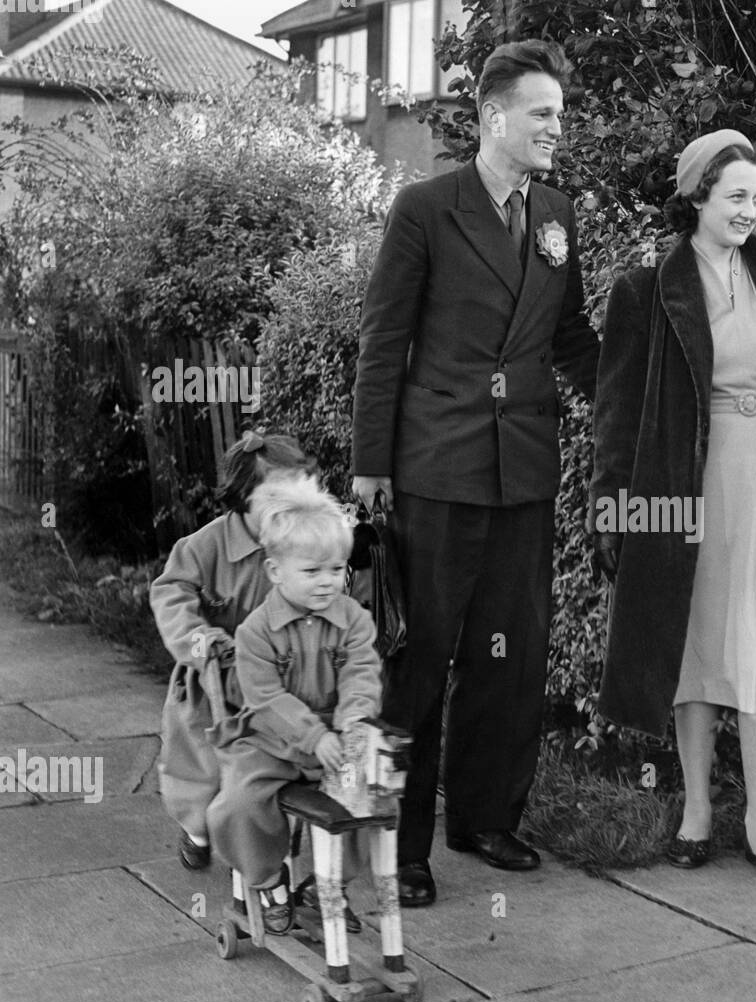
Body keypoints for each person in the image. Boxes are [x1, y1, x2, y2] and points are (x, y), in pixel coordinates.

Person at [351, 39, 601, 905]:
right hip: (437, 469)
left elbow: (568, 338)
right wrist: (369, 466)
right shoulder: (426, 208)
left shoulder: (560, 213)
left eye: (559, 115)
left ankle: (486, 817)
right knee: (418, 661)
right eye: (542, 114)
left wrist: (636, 404)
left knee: (512, 652)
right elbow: (384, 342)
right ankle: (400, 842)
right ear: (494, 118)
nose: (554, 129)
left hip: (523, 471)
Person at [590, 129, 756, 887]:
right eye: (735, 195)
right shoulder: (645, 289)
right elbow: (616, 405)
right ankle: (697, 811)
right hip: (684, 483)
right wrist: (613, 502)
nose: (750, 210)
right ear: (697, 196)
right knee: (695, 645)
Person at [207, 478, 381, 935]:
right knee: (239, 803)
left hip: (336, 740)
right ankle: (268, 880)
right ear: (275, 571)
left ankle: (326, 887)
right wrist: (313, 735)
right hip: (272, 741)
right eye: (312, 571)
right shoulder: (255, 633)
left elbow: (361, 673)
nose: (328, 582)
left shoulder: (355, 621)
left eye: (336, 569)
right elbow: (265, 698)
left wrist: (354, 718)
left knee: (368, 797)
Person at [150, 432, 316, 872]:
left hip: (270, 681)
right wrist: (197, 637)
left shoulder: (300, 545)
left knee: (257, 768)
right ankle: (197, 829)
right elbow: (171, 591)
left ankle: (253, 837)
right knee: (198, 769)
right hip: (211, 683)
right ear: (244, 497)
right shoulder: (206, 545)